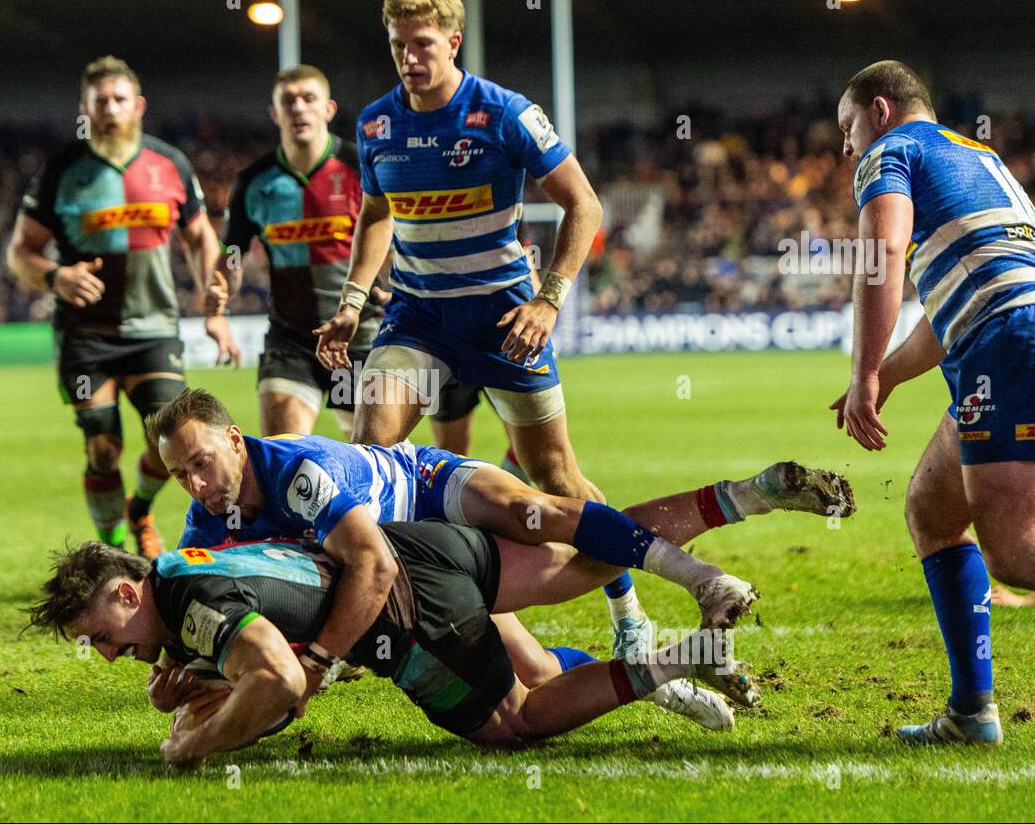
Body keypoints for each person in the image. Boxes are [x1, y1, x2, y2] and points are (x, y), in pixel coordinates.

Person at [309, 0, 666, 687]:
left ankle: (626, 605)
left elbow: (585, 206)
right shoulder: (376, 124)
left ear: (453, 40)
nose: (409, 58)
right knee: (371, 449)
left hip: (505, 322)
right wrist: (353, 300)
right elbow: (376, 215)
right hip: (418, 316)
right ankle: (373, 609)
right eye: (397, 46)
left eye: (421, 44)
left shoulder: (505, 114)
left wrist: (549, 299)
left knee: (554, 475)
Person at [147, 387, 854, 726]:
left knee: (542, 520)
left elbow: (368, 564)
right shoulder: (206, 519)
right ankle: (670, 676)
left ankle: (740, 508)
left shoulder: (294, 471)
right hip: (422, 573)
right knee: (538, 671)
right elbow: (195, 597)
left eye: (204, 461)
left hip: (424, 492)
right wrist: (176, 668)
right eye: (182, 474)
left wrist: (320, 662)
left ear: (236, 439)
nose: (198, 482)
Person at [28, 519, 761, 766]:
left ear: (128, 594)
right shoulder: (185, 564)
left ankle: (677, 660)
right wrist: (197, 688)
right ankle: (718, 529)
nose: (107, 653)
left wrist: (196, 742)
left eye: (100, 636)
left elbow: (281, 683)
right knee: (576, 556)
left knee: (517, 721)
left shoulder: (189, 603)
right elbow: (265, 632)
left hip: (405, 616)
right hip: (413, 545)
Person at [831, 59, 1035, 744]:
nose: (846, 146)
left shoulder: (891, 151)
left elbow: (883, 251)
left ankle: (974, 713)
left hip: (1007, 342)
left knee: (1011, 554)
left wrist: (860, 370)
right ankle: (972, 712)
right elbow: (951, 308)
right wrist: (886, 375)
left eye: (847, 127)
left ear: (880, 110)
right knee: (932, 506)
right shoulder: (978, 156)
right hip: (1008, 333)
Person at [7, 55, 232, 558]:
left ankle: (141, 510)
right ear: (85, 109)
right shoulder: (61, 172)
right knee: (103, 448)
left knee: (171, 435)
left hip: (154, 328)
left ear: (139, 106)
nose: (110, 109)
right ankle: (114, 552)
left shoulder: (169, 163)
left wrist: (213, 307)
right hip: (86, 334)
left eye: (119, 100)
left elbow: (200, 238)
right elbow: (20, 252)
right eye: (99, 101)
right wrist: (55, 275)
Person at [210, 64, 384, 438]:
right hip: (290, 338)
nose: (299, 108)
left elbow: (394, 232)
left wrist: (397, 280)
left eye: (309, 99)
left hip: (361, 334)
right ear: (274, 113)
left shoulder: (360, 167)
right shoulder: (253, 182)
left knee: (373, 460)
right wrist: (218, 300)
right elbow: (233, 253)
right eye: (288, 101)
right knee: (284, 454)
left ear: (328, 109)